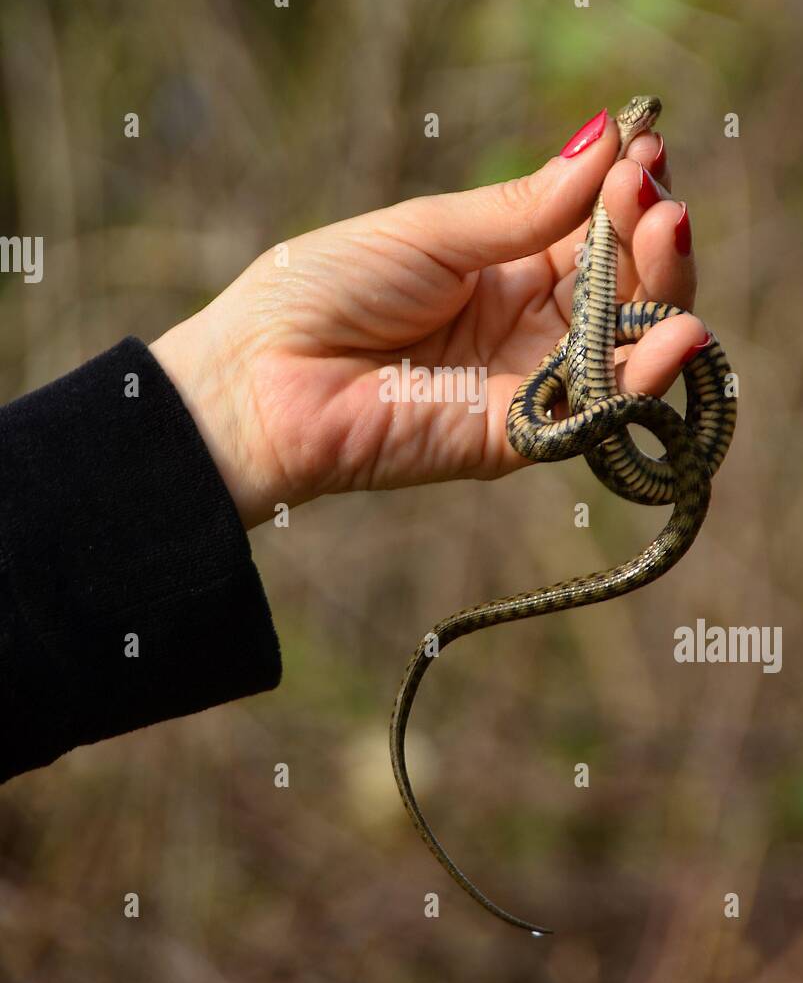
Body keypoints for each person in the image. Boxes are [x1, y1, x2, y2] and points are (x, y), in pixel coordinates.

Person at [0, 109, 705, 784]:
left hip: (569, 370)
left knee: (646, 343)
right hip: (561, 371)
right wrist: (237, 397)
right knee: (637, 342)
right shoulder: (589, 245)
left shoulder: (595, 253)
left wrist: (237, 396)